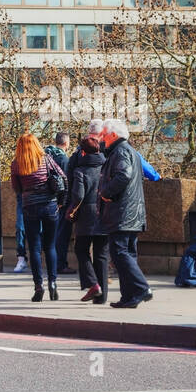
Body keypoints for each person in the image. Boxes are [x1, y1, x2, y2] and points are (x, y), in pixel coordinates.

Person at [96, 119, 152, 310]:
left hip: (122, 212)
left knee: (119, 252)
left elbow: (124, 175)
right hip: (132, 212)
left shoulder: (120, 151)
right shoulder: (130, 151)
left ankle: (141, 288)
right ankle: (129, 296)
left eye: (104, 135)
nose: (102, 138)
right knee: (127, 254)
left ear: (113, 135)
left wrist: (106, 192)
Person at [10, 133, 67, 301]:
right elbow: (63, 177)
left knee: (34, 248)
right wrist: (61, 202)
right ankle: (53, 283)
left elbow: (16, 188)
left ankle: (38, 286)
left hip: (30, 207)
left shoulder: (17, 164)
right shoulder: (46, 158)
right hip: (50, 206)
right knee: (50, 247)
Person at [66, 132, 109, 303]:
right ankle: (102, 297)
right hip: (105, 213)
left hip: (86, 216)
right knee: (102, 255)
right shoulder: (107, 167)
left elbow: (78, 195)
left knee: (81, 250)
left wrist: (71, 210)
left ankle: (93, 284)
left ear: (82, 152)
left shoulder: (80, 171)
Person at [46, 131, 75, 274]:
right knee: (62, 234)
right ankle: (60, 264)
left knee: (52, 233)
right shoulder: (64, 160)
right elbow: (67, 182)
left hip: (48, 200)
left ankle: (53, 263)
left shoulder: (47, 155)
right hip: (61, 202)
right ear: (66, 143)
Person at [13, 194, 28, 273]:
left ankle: (38, 258)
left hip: (38, 197)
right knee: (20, 228)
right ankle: (21, 258)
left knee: (40, 230)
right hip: (23, 196)